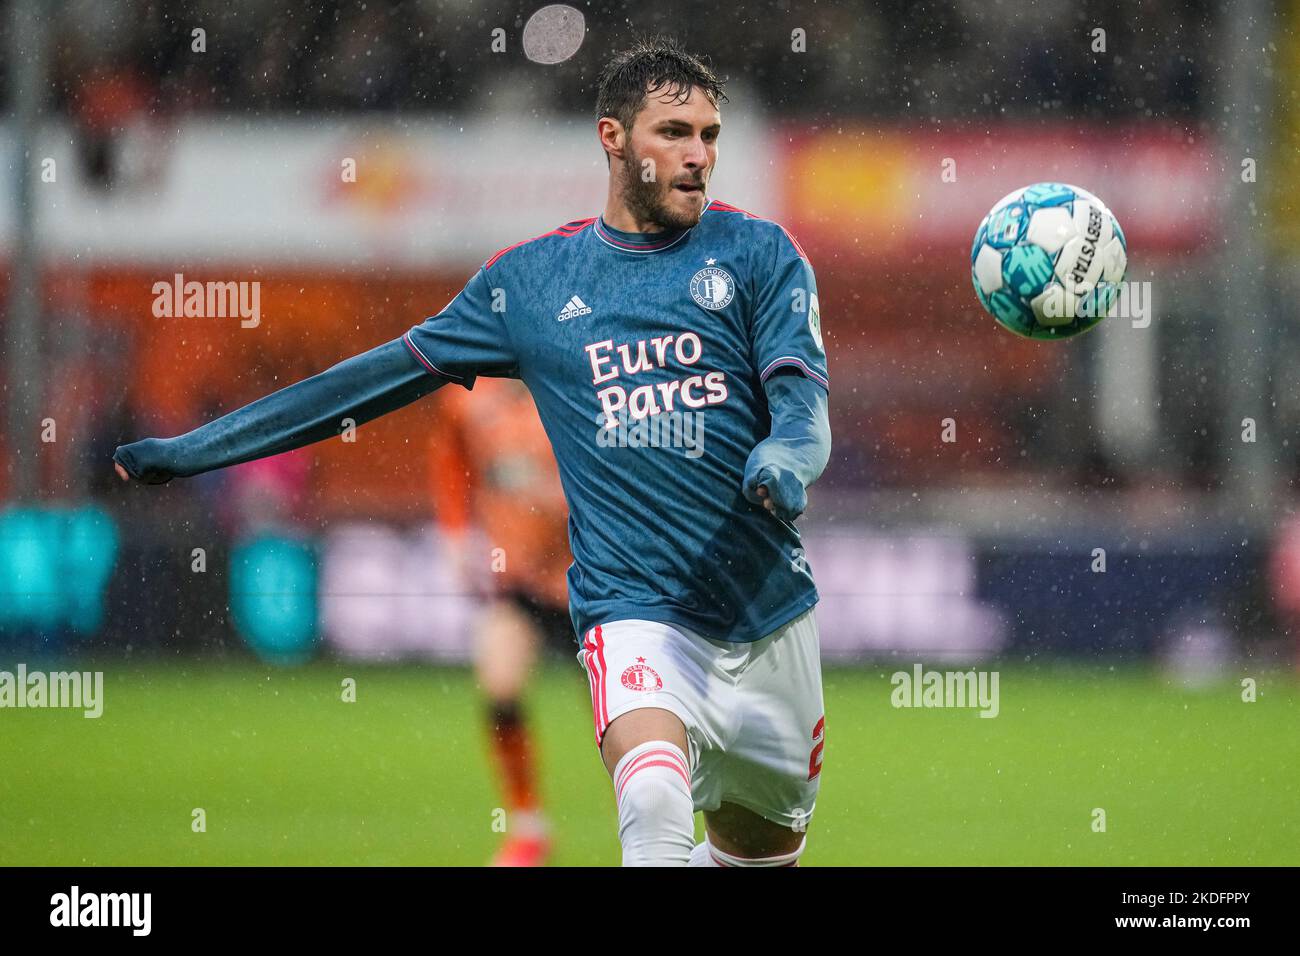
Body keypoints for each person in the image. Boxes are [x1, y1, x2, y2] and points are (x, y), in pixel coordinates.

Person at [114, 35, 832, 867]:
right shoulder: (527, 283)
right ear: (612, 137)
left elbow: (802, 404)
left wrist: (786, 457)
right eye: (674, 132)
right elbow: (362, 385)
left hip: (769, 616)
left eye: (710, 135)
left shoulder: (758, 256)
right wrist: (199, 449)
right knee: (652, 799)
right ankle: (533, 827)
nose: (699, 155)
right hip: (636, 616)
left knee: (758, 858)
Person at [427, 379, 572, 866]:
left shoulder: (575, 373)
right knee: (500, 686)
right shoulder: (466, 399)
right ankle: (528, 827)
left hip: (592, 580)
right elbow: (451, 462)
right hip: (519, 579)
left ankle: (654, 817)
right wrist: (455, 535)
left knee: (620, 714)